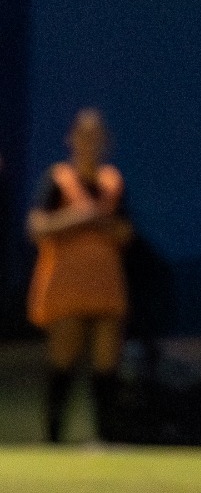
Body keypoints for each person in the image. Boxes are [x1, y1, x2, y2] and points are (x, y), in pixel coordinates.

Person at [27, 108, 131, 443]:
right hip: (66, 287)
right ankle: (53, 439)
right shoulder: (58, 180)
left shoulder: (113, 182)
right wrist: (79, 218)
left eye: (96, 135)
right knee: (63, 361)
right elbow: (37, 226)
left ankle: (107, 439)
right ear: (71, 138)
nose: (90, 142)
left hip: (104, 286)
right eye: (83, 135)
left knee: (106, 365)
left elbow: (126, 232)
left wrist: (106, 225)